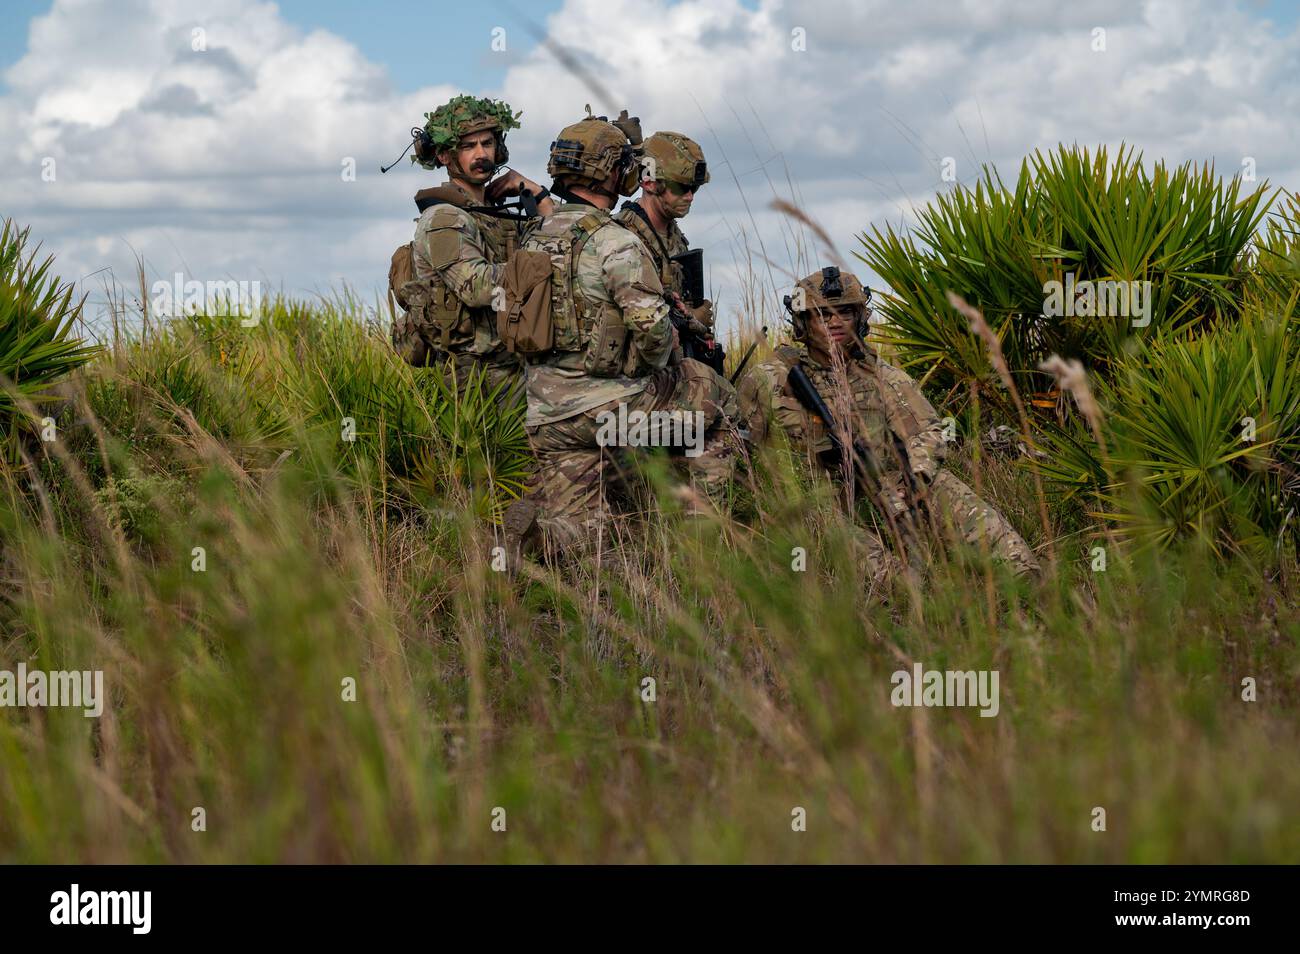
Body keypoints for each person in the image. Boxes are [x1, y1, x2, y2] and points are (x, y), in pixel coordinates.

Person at [739, 266, 1041, 581]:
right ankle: (906, 591)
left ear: (859, 318)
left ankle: (1019, 570)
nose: (835, 322)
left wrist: (916, 477)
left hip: (882, 486)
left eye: (845, 312)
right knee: (849, 542)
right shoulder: (769, 379)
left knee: (944, 486)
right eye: (822, 315)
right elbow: (742, 445)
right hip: (815, 497)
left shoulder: (883, 376)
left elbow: (926, 432)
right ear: (803, 322)